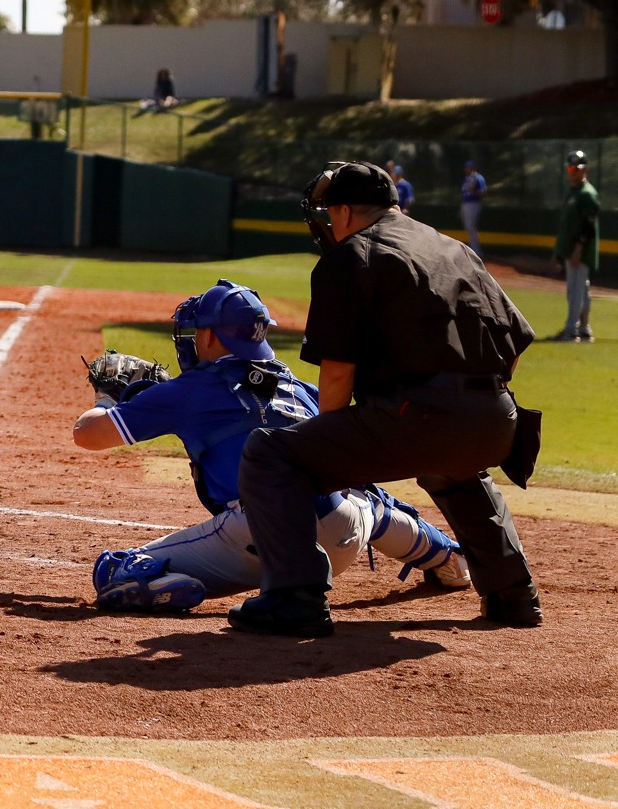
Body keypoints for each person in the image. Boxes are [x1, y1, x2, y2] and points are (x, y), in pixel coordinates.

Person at [230, 161, 539, 638]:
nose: (328, 223)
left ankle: (295, 598)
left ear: (345, 212)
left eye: (330, 214)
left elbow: (337, 375)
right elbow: (514, 347)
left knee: (269, 452)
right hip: (498, 420)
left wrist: (329, 446)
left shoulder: (352, 255)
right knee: (453, 465)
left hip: (418, 418)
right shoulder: (454, 248)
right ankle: (514, 596)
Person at [72, 280, 469, 613]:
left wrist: (109, 398)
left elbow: (88, 434)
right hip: (346, 529)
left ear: (209, 335)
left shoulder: (191, 389)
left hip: (263, 537)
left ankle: (162, 580)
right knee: (366, 499)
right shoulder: (299, 388)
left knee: (117, 569)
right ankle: (448, 557)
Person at [550, 149, 600, 343]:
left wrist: (578, 249)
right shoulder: (573, 191)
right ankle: (584, 328)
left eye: (576, 169)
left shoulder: (587, 193)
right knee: (581, 291)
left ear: (584, 170)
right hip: (570, 249)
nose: (572, 172)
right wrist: (559, 252)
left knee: (575, 291)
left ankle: (571, 331)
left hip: (580, 252)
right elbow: (566, 225)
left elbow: (589, 225)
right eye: (570, 168)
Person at [459, 160, 487, 256]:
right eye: (467, 167)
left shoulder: (478, 178)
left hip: (474, 204)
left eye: (469, 167)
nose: (467, 169)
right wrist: (461, 208)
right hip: (465, 204)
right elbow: (464, 194)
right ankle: (472, 248)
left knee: (471, 227)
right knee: (468, 227)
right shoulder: (467, 179)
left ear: (473, 168)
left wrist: (473, 191)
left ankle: (476, 250)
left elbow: (483, 192)